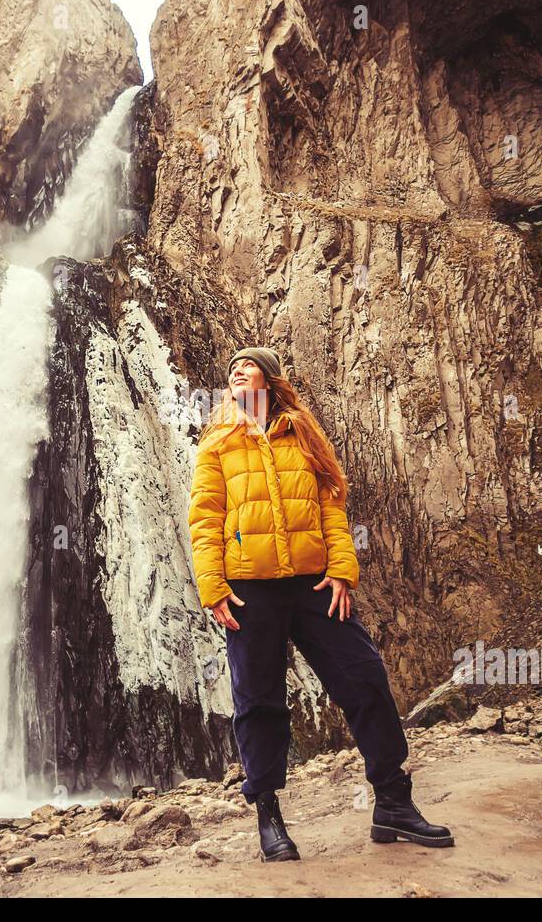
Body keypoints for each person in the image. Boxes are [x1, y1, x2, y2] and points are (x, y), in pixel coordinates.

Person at [187, 345, 454, 861]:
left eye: (248, 365)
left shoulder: (303, 434)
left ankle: (393, 803)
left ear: (270, 378)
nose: (238, 371)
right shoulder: (218, 443)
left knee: (365, 677)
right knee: (259, 702)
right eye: (232, 370)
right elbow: (204, 520)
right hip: (250, 590)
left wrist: (342, 570)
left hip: (314, 585)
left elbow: (332, 504)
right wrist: (214, 589)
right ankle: (268, 817)